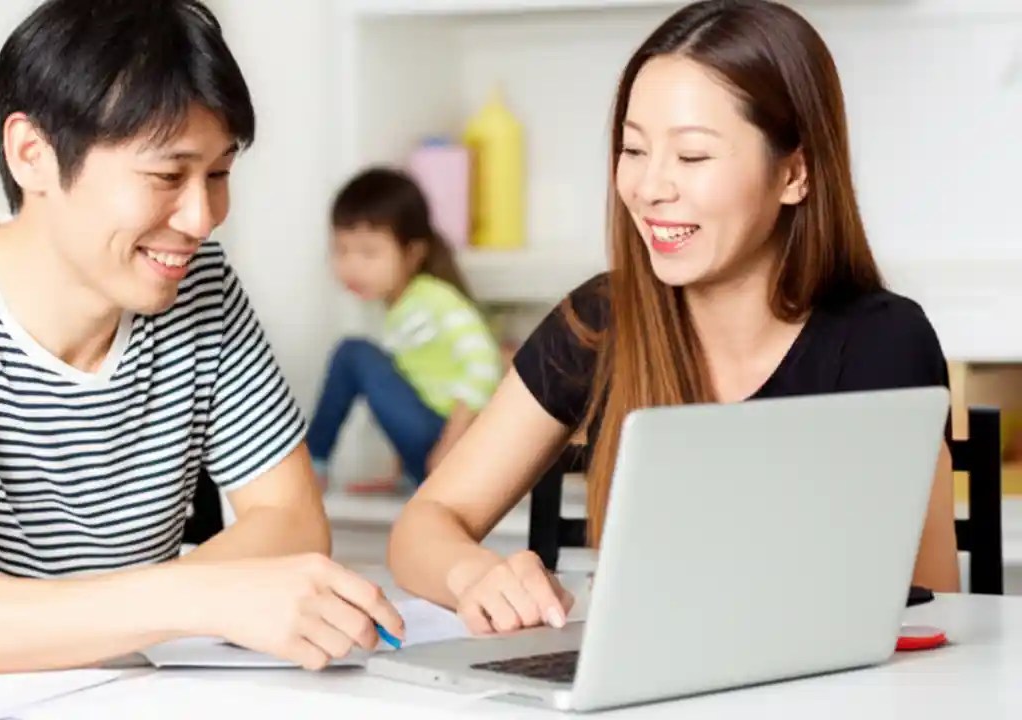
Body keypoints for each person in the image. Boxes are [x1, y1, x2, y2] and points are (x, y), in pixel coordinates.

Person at [0, 0, 403, 677]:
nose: (201, 217)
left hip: (120, 694)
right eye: (167, 175)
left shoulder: (200, 285)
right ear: (32, 153)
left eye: (218, 174)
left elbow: (293, 521)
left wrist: (161, 605)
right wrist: (195, 596)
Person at [387, 0, 961, 636]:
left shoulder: (882, 341)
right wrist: (473, 574)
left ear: (794, 173)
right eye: (634, 149)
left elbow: (930, 608)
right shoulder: (597, 323)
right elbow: (423, 525)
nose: (649, 187)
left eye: (691, 157)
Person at [307, 168, 503, 494]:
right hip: (430, 445)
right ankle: (404, 474)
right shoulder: (401, 309)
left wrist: (449, 448)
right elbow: (416, 386)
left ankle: (312, 465)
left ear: (412, 253)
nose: (351, 266)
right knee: (374, 362)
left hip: (448, 441)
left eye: (368, 252)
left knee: (352, 354)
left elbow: (486, 367)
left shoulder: (436, 300)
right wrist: (400, 475)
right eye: (341, 250)